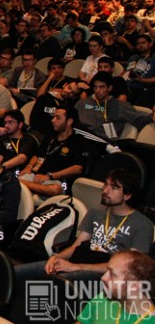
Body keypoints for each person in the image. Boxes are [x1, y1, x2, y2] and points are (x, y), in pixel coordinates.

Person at [16, 170, 154, 286]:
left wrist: (76, 267)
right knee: (16, 273)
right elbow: (76, 245)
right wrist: (57, 257)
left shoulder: (142, 224)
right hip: (80, 261)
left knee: (52, 284)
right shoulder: (96, 213)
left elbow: (130, 268)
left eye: (114, 187)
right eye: (105, 185)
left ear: (127, 195)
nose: (105, 191)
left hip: (108, 275)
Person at [18, 106, 90, 199]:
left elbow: (77, 168)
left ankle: (25, 185)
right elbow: (37, 155)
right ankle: (26, 185)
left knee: (54, 189)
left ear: (69, 121)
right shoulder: (50, 135)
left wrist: (50, 176)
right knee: (12, 182)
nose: (53, 120)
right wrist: (28, 167)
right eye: (53, 117)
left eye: (58, 118)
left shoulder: (79, 141)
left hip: (56, 180)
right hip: (36, 176)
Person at [77, 250, 155, 324]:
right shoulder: (102, 300)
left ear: (134, 285)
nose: (103, 277)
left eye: (112, 274)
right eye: (107, 271)